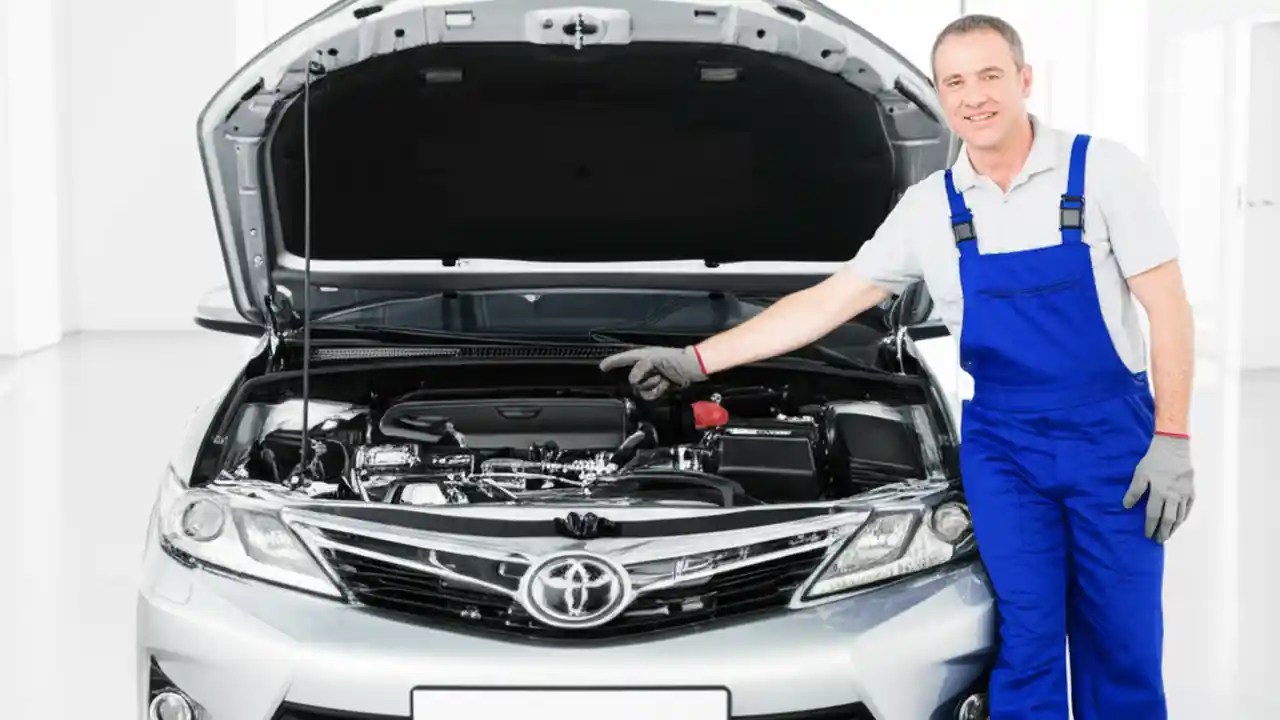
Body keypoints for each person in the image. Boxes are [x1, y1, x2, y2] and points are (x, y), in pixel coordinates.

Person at [599, 14, 1195, 720]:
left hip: (1110, 441)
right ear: (941, 96)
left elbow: (1169, 309)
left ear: (1025, 79)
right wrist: (694, 359)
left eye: (990, 76)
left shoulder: (1101, 171)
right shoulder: (930, 209)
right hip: (1006, 450)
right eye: (955, 82)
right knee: (1026, 639)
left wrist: (1173, 438)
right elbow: (828, 303)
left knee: (1120, 643)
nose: (974, 97)